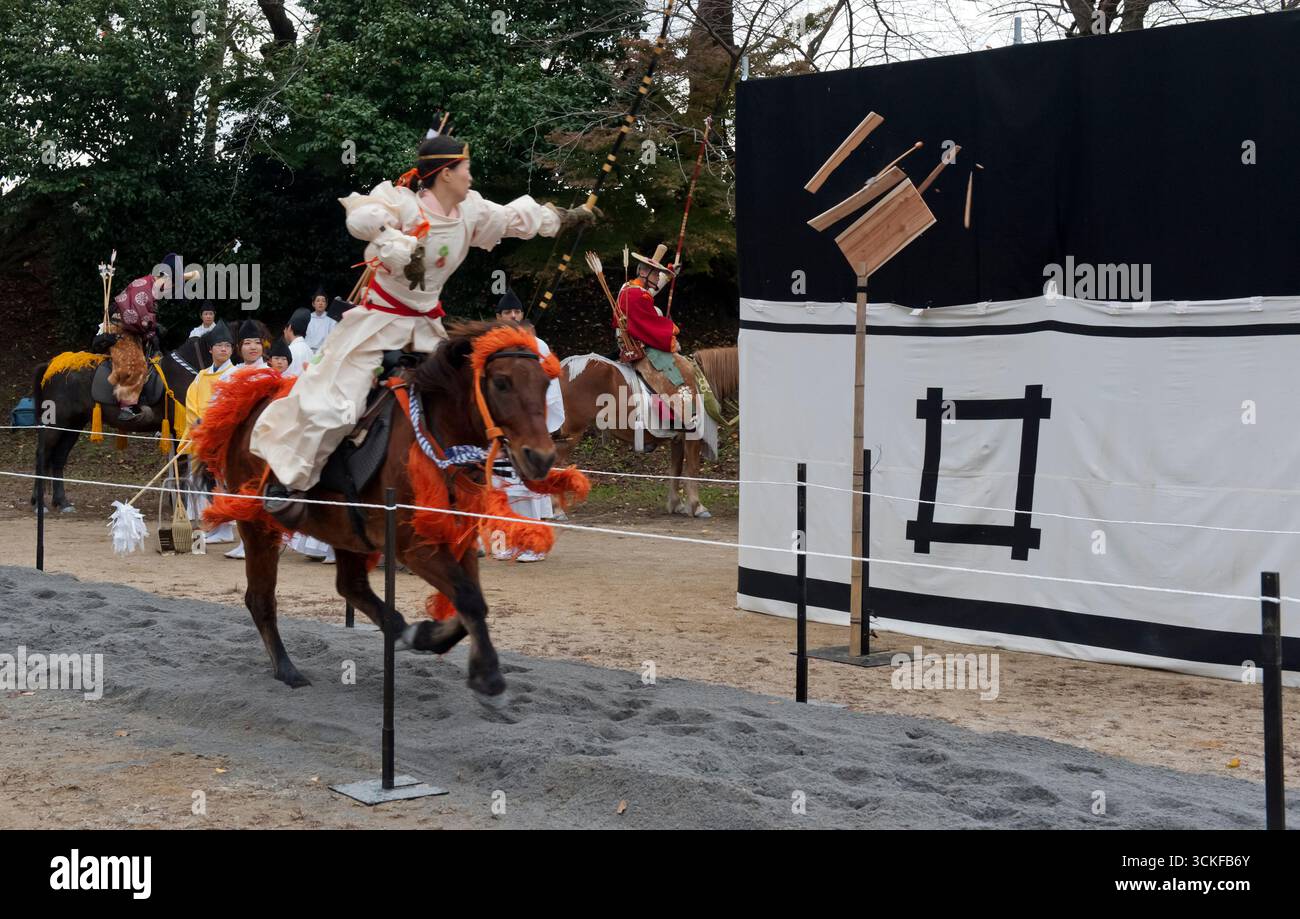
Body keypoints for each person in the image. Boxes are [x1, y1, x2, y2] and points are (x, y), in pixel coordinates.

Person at [250, 128, 598, 525]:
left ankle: (471, 484)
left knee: (467, 400)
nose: (471, 176)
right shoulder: (404, 205)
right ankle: (288, 481)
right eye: (466, 168)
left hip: (428, 328)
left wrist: (564, 217)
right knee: (334, 406)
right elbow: (363, 216)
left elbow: (512, 218)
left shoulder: (471, 210)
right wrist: (393, 240)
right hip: (378, 324)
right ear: (446, 173)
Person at [485, 290, 564, 562]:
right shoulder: (490, 345)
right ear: (498, 317)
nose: (514, 316)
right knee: (501, 489)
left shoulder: (538, 345)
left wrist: (537, 420)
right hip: (501, 428)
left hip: (528, 424)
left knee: (527, 489)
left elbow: (549, 385)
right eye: (508, 313)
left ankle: (533, 545)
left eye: (517, 312)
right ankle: (504, 542)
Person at [93, 253, 179, 421]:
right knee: (137, 364)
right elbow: (135, 317)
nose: (170, 289)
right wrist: (152, 331)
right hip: (120, 330)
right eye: (172, 284)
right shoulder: (142, 287)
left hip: (135, 331)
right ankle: (127, 406)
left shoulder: (151, 287)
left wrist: (152, 331)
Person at [180, 322, 241, 555]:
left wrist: (215, 426)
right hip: (202, 436)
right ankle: (215, 527)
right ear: (210, 350)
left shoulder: (235, 374)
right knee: (205, 484)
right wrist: (200, 425)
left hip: (224, 439)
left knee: (222, 482)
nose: (223, 349)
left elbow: (232, 406)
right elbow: (191, 404)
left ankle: (225, 528)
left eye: (227, 345)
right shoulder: (201, 376)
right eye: (219, 345)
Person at [304, 288, 336, 354]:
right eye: (318, 301)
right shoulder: (307, 317)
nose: (320, 303)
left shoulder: (331, 319)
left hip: (323, 352)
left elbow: (333, 336)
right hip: (308, 350)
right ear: (313, 304)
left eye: (323, 301)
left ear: (326, 304)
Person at [284, 308, 313, 374]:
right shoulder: (310, 351)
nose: (284, 333)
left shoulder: (288, 351)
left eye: (284, 330)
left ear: (289, 328)